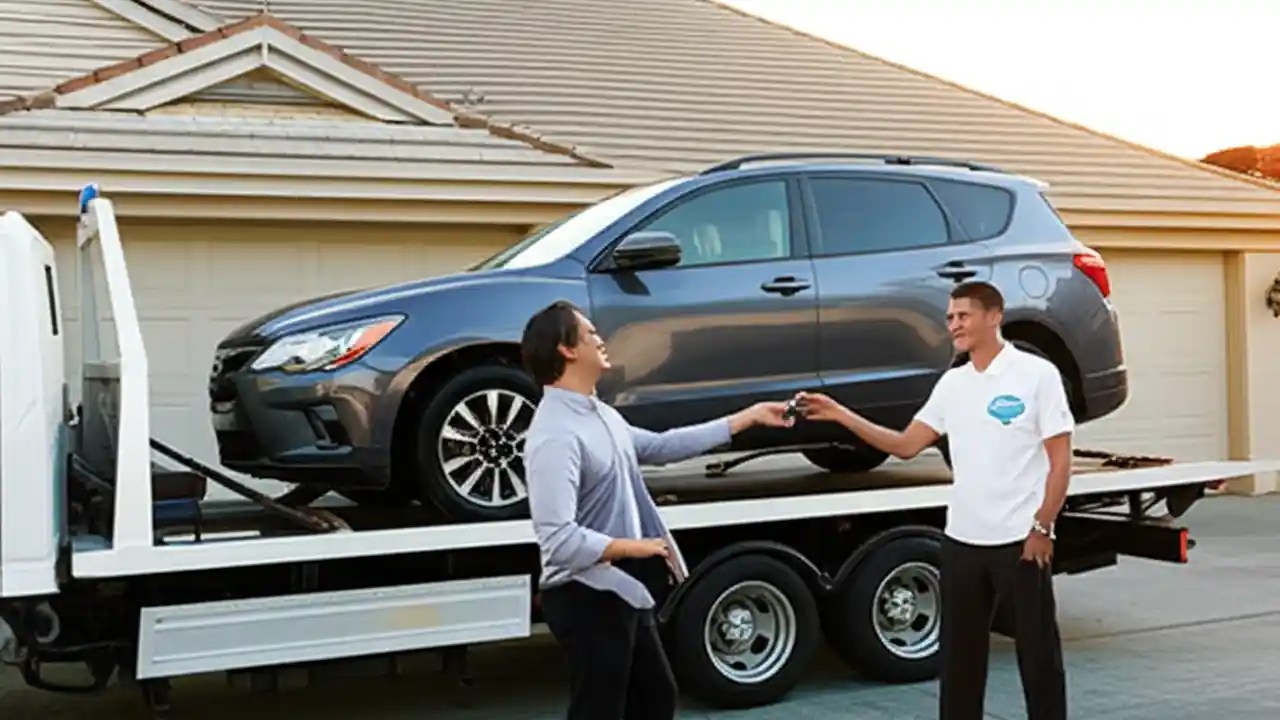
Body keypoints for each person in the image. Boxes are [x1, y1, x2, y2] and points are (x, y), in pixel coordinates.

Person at [794, 280, 1072, 720]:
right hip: (962, 541)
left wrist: (1043, 526)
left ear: (994, 316)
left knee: (1038, 656)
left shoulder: (1036, 375)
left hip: (1019, 542)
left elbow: (1060, 460)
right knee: (960, 658)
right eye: (950, 317)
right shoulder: (952, 384)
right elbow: (905, 445)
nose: (954, 324)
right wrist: (839, 414)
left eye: (963, 316)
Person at [520, 299, 794, 720]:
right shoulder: (554, 435)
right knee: (602, 709)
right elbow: (558, 540)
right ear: (567, 349)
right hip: (584, 596)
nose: (601, 339)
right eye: (591, 333)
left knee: (655, 698)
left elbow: (663, 447)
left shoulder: (601, 415)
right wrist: (637, 547)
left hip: (620, 588)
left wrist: (748, 418)